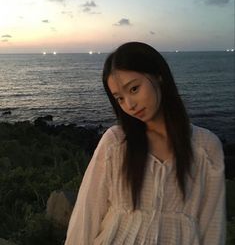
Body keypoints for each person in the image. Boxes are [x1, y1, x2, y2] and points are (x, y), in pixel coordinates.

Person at [65, 42, 226, 244]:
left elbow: (212, 226)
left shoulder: (205, 146)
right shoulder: (116, 142)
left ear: (158, 76)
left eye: (134, 88)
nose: (129, 105)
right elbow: (87, 214)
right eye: (119, 99)